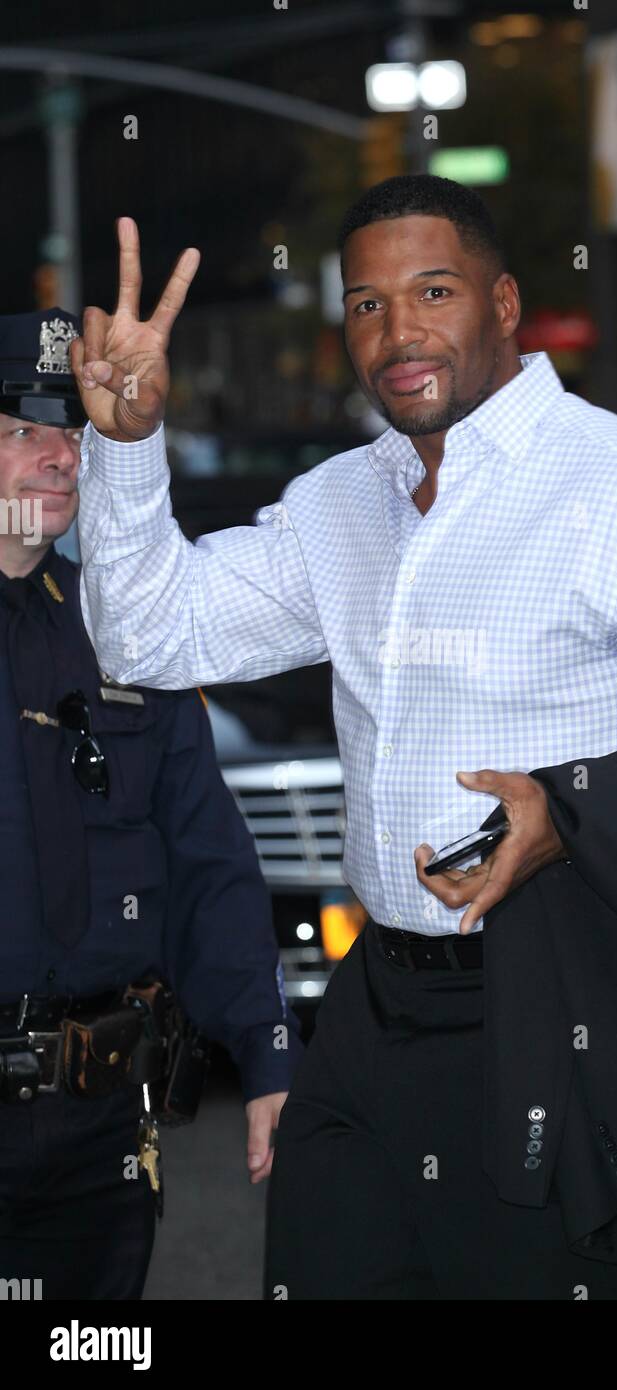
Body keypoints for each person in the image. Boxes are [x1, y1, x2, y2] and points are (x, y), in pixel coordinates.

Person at [73, 179, 617, 1300]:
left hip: (555, 1013)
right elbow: (148, 633)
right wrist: (128, 450)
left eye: (433, 291)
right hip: (371, 1004)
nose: (398, 333)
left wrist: (572, 816)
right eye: (367, 304)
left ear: (506, 302)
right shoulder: (342, 503)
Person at [0, 308, 300, 1300]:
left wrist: (264, 1051)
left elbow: (206, 857)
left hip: (96, 1134)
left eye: (72, 432)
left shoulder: (125, 630)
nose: (58, 456)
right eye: (21, 430)